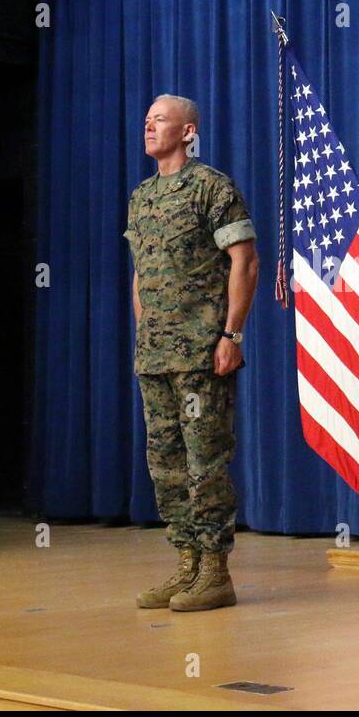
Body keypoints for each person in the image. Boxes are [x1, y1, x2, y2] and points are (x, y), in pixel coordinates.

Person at [124, 94, 258, 612]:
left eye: (159, 120)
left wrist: (232, 336)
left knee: (206, 463)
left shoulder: (212, 187)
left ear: (188, 131)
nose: (149, 126)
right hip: (154, 356)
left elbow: (244, 261)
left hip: (202, 353)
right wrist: (145, 335)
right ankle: (186, 565)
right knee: (165, 464)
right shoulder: (141, 197)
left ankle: (216, 572)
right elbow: (140, 273)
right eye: (146, 119)